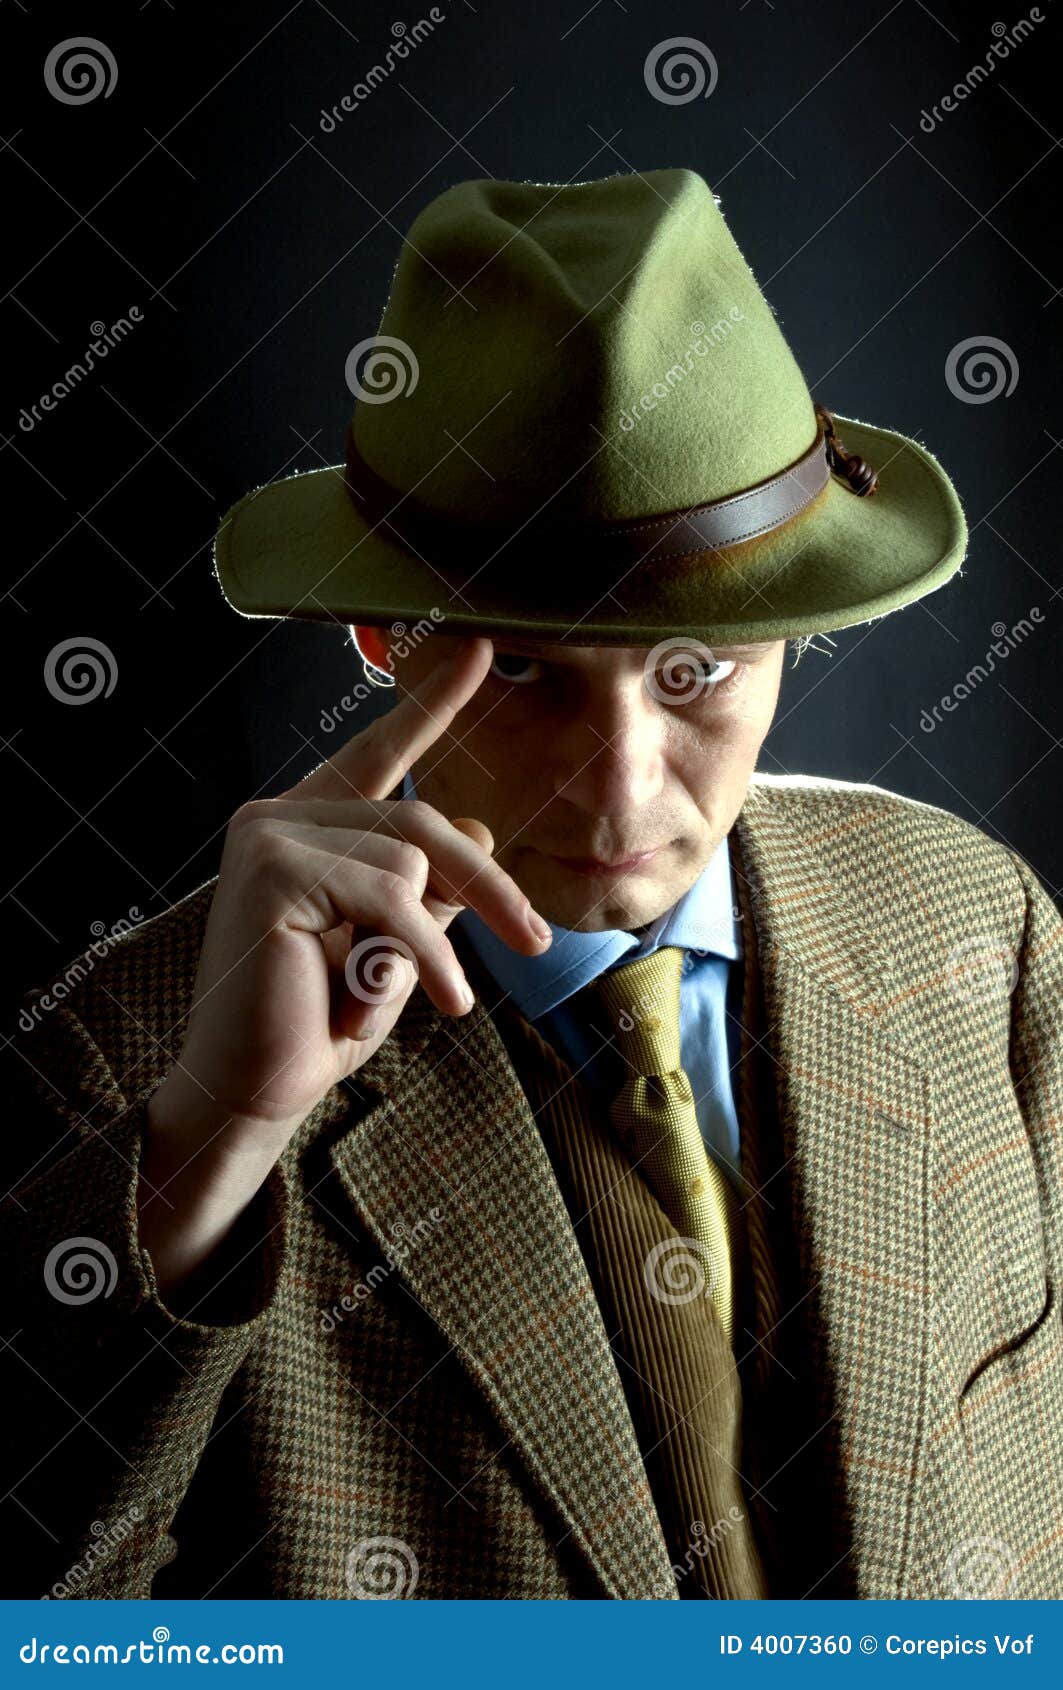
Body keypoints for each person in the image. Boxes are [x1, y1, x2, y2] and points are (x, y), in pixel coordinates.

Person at [5, 169, 1061, 1603]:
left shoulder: (976, 928)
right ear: (384, 640)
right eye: (519, 671)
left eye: (693, 674)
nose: (619, 790)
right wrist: (217, 1138)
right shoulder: (132, 1059)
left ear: (791, 635)